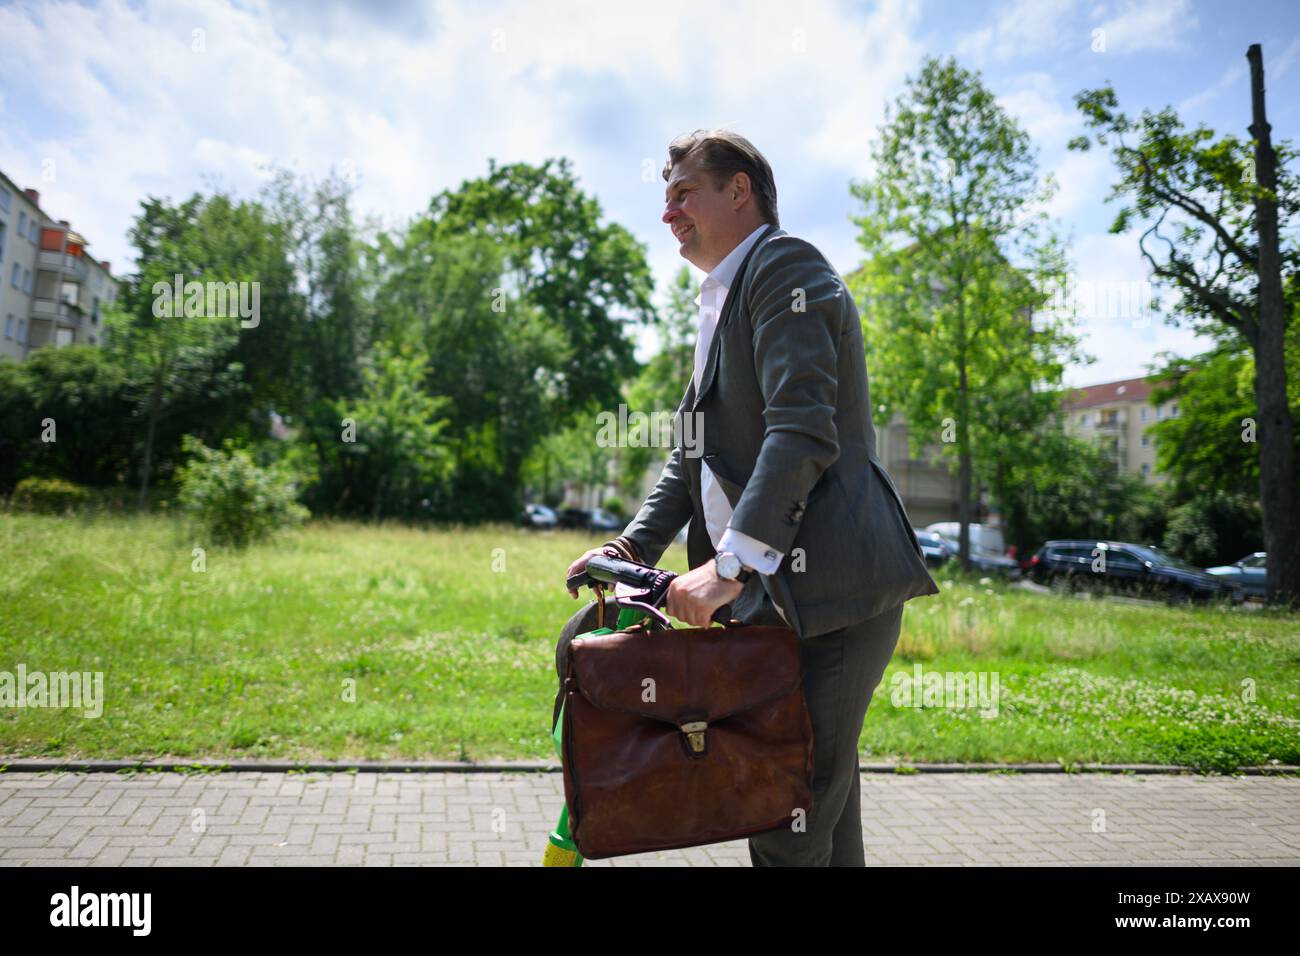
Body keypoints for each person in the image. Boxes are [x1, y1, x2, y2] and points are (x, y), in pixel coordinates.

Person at [565, 128, 940, 866]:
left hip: (834, 599)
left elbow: (803, 428)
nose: (667, 214)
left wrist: (730, 563)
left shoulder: (784, 266)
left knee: (784, 809)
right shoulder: (721, 300)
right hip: (782, 600)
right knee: (820, 806)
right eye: (663, 199)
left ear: (740, 191)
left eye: (682, 195)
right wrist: (632, 546)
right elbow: (692, 456)